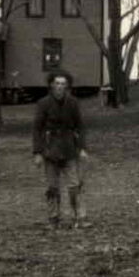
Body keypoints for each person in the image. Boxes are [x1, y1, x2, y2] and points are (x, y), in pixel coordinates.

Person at [32, 71, 91, 230]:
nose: (59, 87)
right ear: (51, 85)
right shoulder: (43, 103)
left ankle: (80, 217)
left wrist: (82, 148)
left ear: (67, 86)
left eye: (63, 84)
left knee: (74, 185)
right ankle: (53, 219)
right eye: (57, 83)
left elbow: (80, 126)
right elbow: (37, 129)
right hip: (50, 149)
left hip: (69, 148)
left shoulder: (73, 103)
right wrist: (37, 152)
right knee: (52, 187)